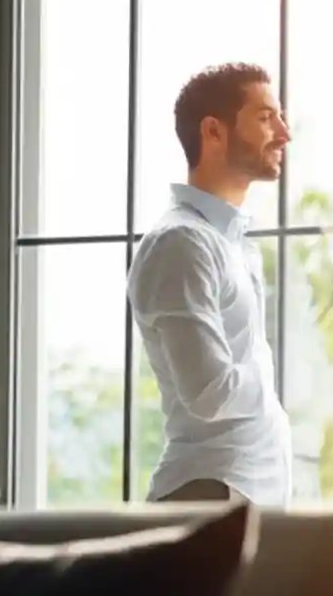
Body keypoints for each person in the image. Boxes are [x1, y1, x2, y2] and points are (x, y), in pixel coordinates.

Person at [127, 62, 292, 505]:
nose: (284, 133)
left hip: (239, 499)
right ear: (214, 131)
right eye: (265, 117)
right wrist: (275, 382)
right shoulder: (182, 244)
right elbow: (209, 394)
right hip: (208, 497)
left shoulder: (231, 244)